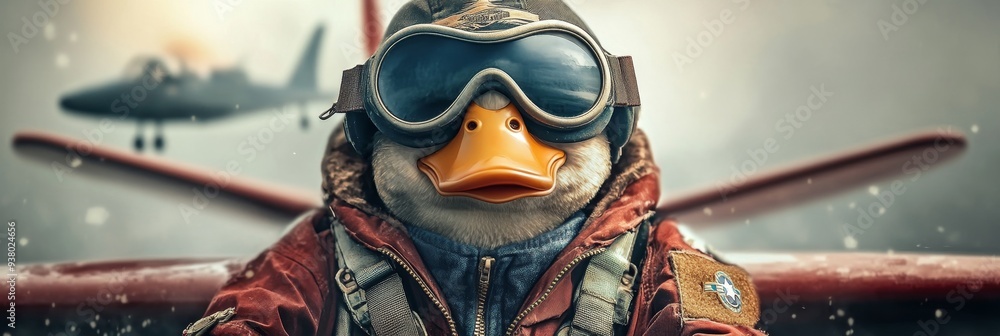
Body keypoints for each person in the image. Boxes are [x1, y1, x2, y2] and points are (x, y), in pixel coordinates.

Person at [185, 0, 765, 335]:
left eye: (557, 90)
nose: (492, 126)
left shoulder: (654, 260)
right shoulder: (315, 262)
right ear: (371, 124)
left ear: (608, 119)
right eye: (426, 94)